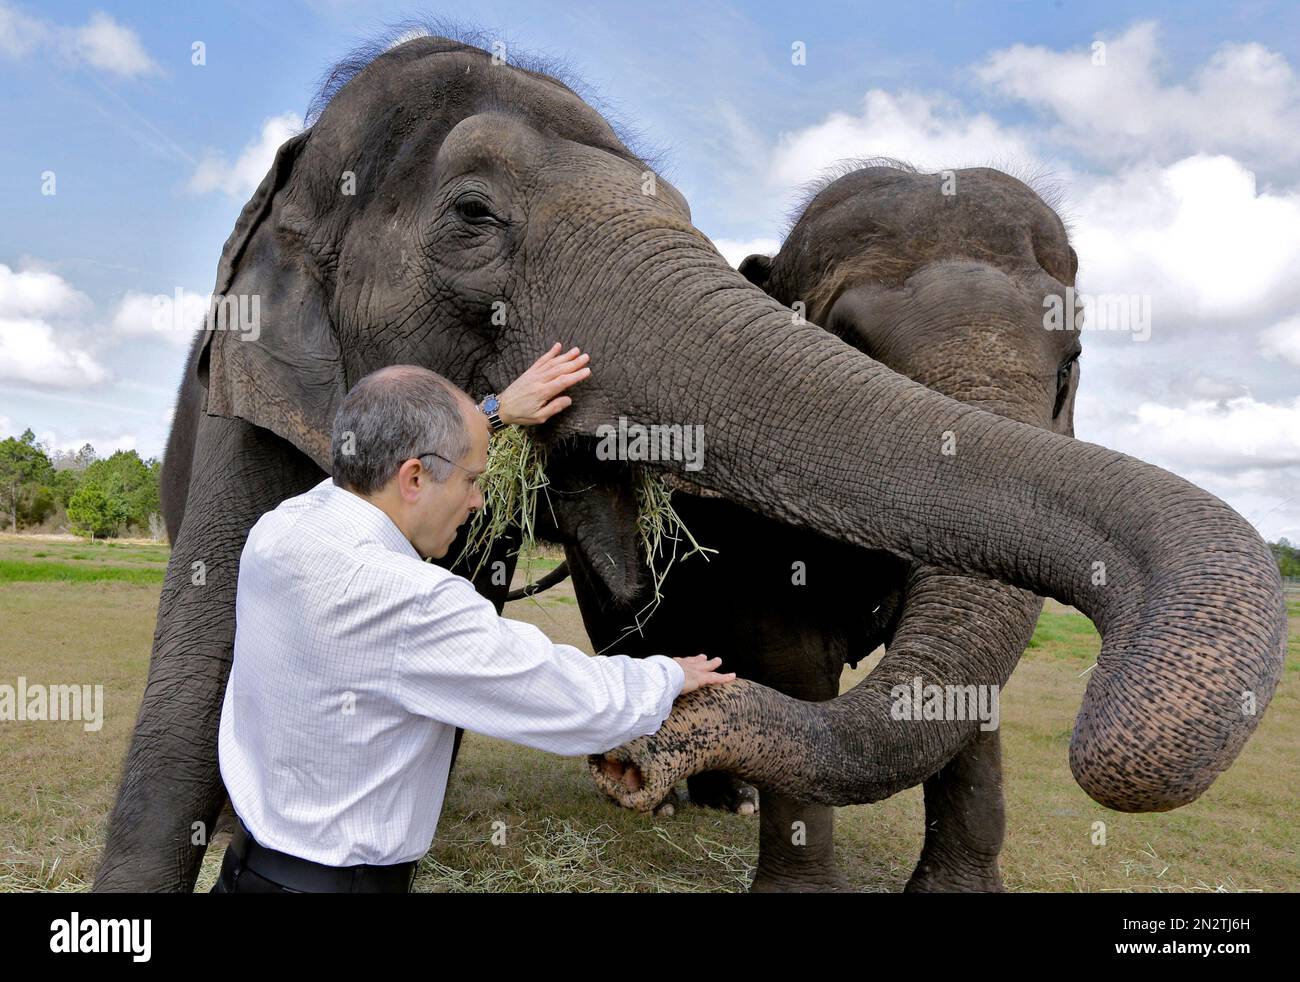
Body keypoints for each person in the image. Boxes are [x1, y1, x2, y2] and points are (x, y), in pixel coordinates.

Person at [211, 344, 734, 893]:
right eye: (470, 480)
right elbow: (565, 696)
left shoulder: (280, 528)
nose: (479, 500)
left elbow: (362, 470)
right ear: (413, 478)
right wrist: (669, 676)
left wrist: (494, 411)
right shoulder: (409, 599)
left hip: (246, 872)